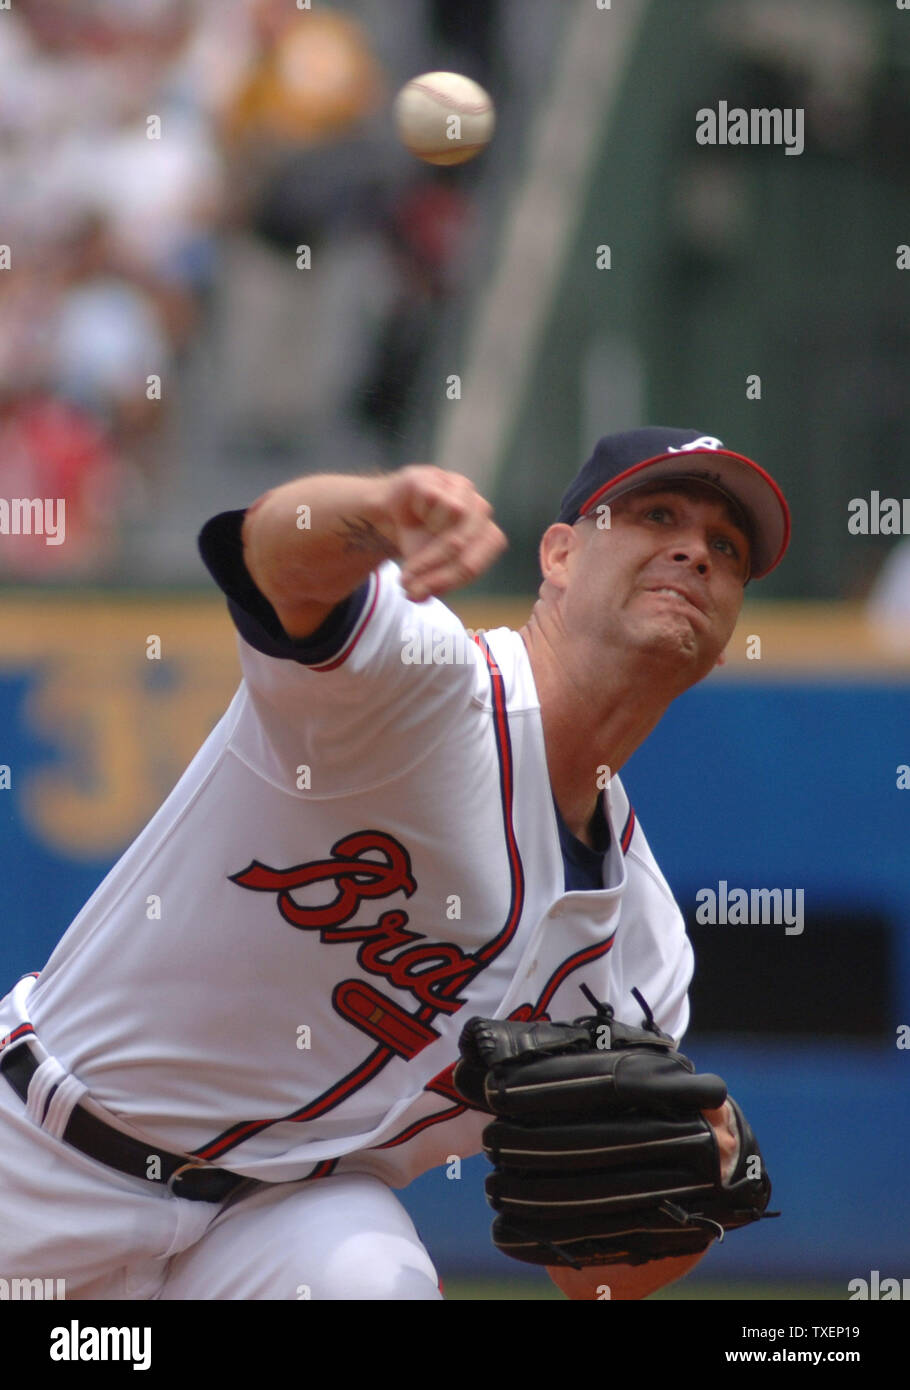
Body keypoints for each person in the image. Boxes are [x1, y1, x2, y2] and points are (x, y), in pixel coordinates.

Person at [0, 426, 790, 1300]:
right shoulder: (423, 682)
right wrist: (375, 512)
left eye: (728, 546)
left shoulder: (645, 956)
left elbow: (595, 1274)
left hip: (276, 1224)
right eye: (656, 514)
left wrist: (722, 1187)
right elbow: (273, 554)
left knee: (373, 1284)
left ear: (723, 646)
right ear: (561, 555)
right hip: (41, 1164)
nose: (694, 549)